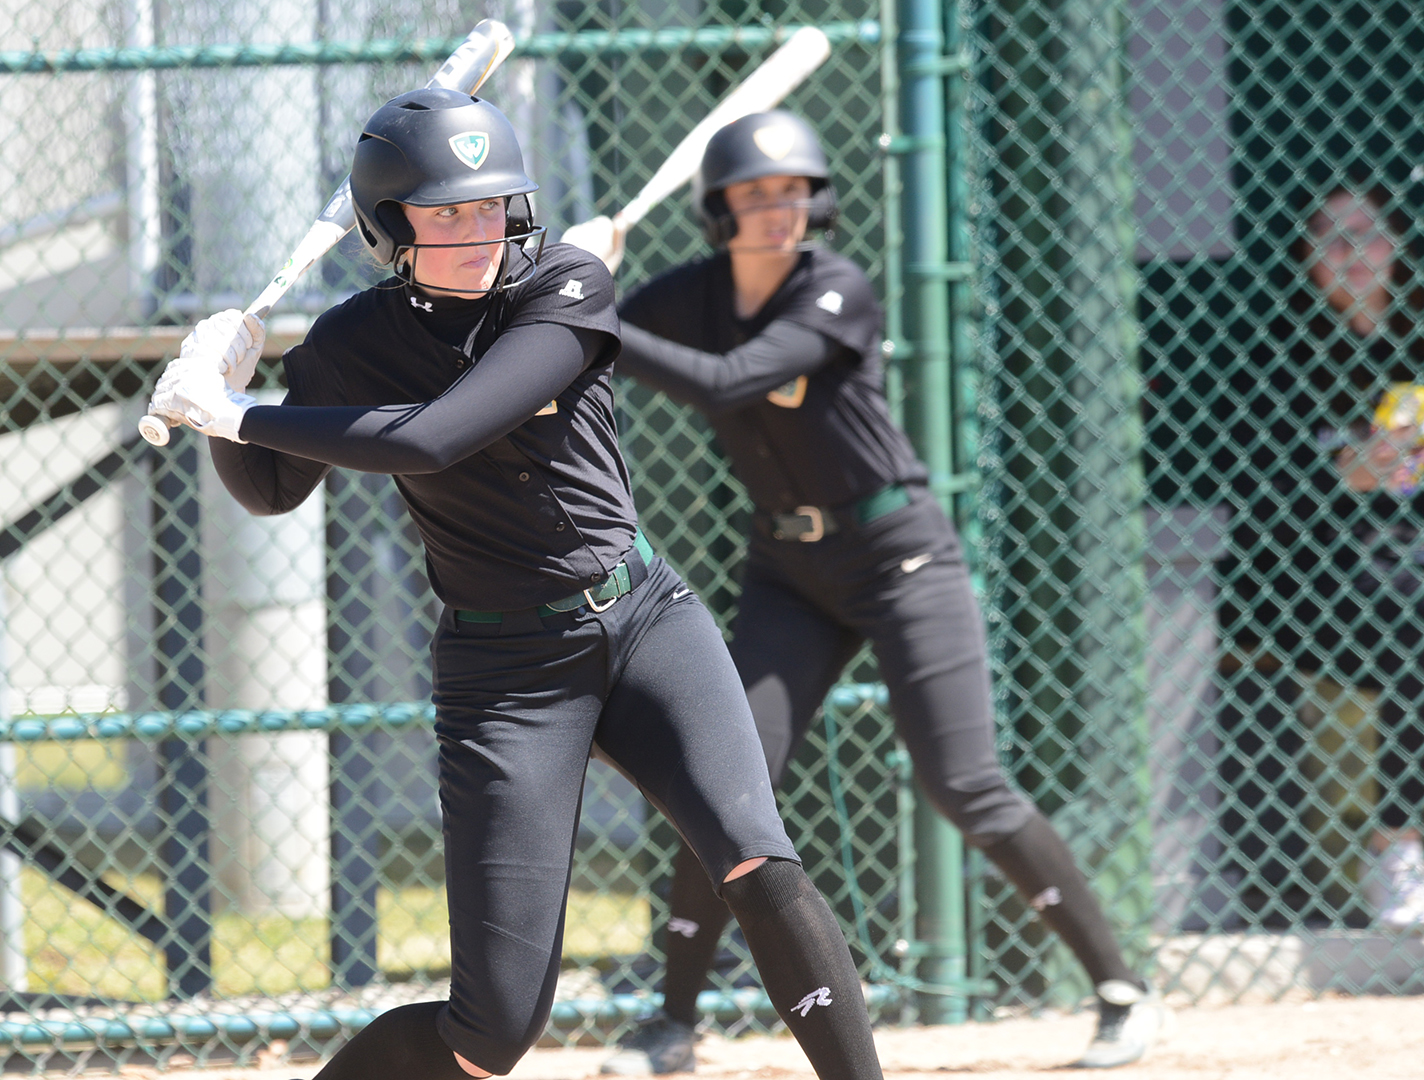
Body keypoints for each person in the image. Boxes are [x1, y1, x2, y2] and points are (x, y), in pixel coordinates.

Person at [144, 89, 885, 1080]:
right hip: (506, 674)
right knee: (491, 1036)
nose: (476, 233)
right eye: (445, 213)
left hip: (642, 622)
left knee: (757, 858)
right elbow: (272, 489)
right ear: (389, 228)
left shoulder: (564, 286)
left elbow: (435, 435)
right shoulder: (354, 341)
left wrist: (237, 412)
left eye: (492, 206)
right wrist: (224, 392)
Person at [562, 111, 1165, 1073]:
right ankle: (672, 1025)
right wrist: (580, 275)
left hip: (899, 557)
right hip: (788, 570)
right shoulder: (695, 292)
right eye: (756, 195)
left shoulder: (835, 287)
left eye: (793, 192)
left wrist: (591, 317)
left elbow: (726, 382)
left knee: (964, 783)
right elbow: (585, 329)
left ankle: (1121, 991)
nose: (778, 211)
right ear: (719, 211)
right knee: (720, 784)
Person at [1217, 183, 1424, 930]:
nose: (1352, 251)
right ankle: (1397, 843)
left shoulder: (1416, 342)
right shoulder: (1277, 357)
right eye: (1331, 237)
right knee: (1413, 629)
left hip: (1408, 561)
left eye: (1367, 233)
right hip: (1312, 581)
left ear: (1397, 248)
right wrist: (1340, 476)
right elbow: (1248, 489)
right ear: (1306, 258)